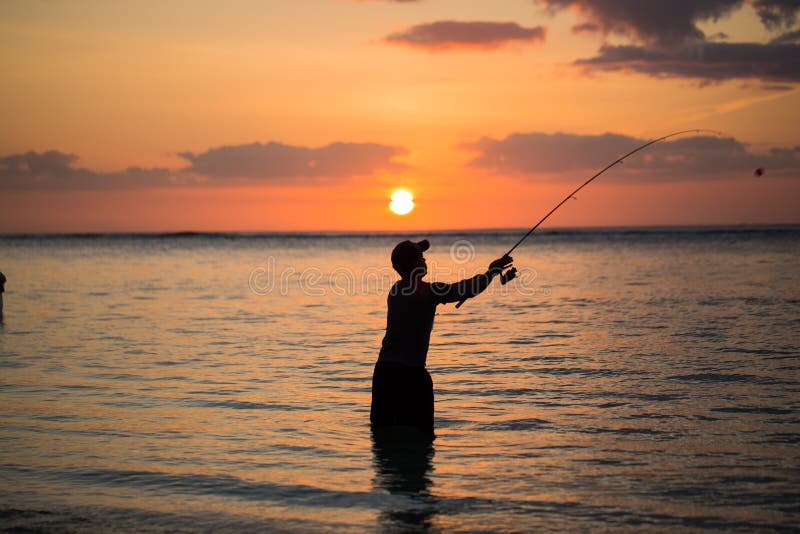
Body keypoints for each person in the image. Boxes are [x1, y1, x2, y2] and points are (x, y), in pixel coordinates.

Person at [370, 239, 512, 437]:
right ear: (414, 264)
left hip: (385, 374)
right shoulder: (428, 291)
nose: (425, 258)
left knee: (382, 436)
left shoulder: (395, 290)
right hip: (411, 375)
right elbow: (467, 288)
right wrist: (492, 271)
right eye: (421, 256)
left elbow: (462, 290)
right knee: (421, 437)